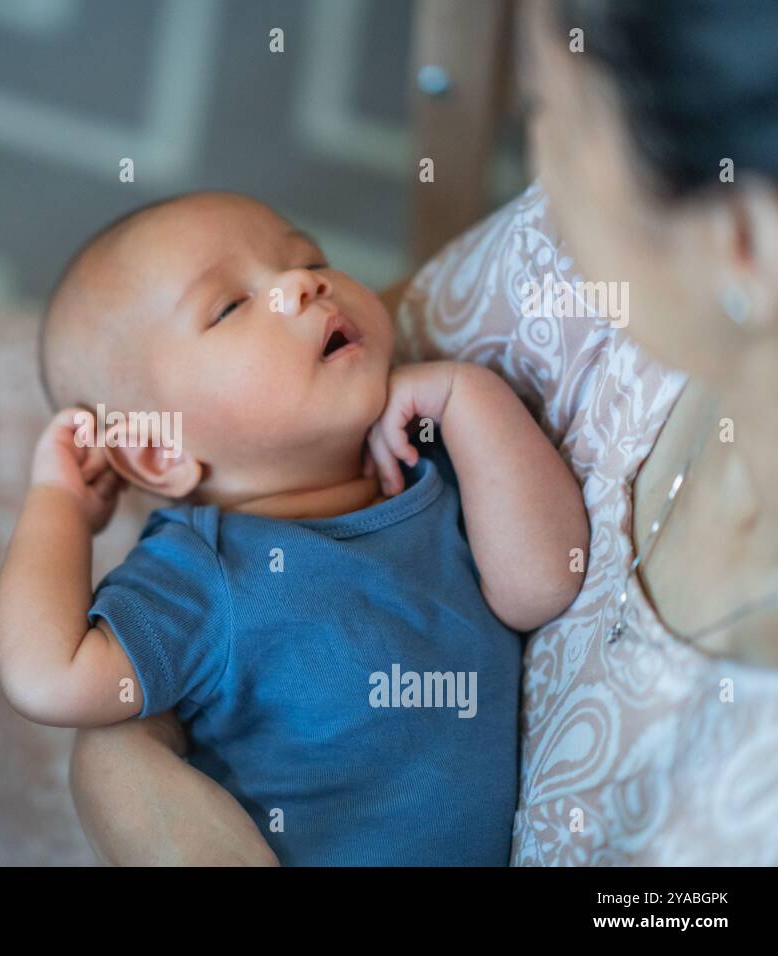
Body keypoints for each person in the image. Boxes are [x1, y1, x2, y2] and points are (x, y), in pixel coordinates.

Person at [68, 0, 778, 865]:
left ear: (741, 243)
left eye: (547, 118)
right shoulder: (226, 546)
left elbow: (542, 583)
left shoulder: (425, 467)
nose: (308, 287)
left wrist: (467, 399)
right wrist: (55, 522)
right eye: (230, 305)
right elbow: (63, 682)